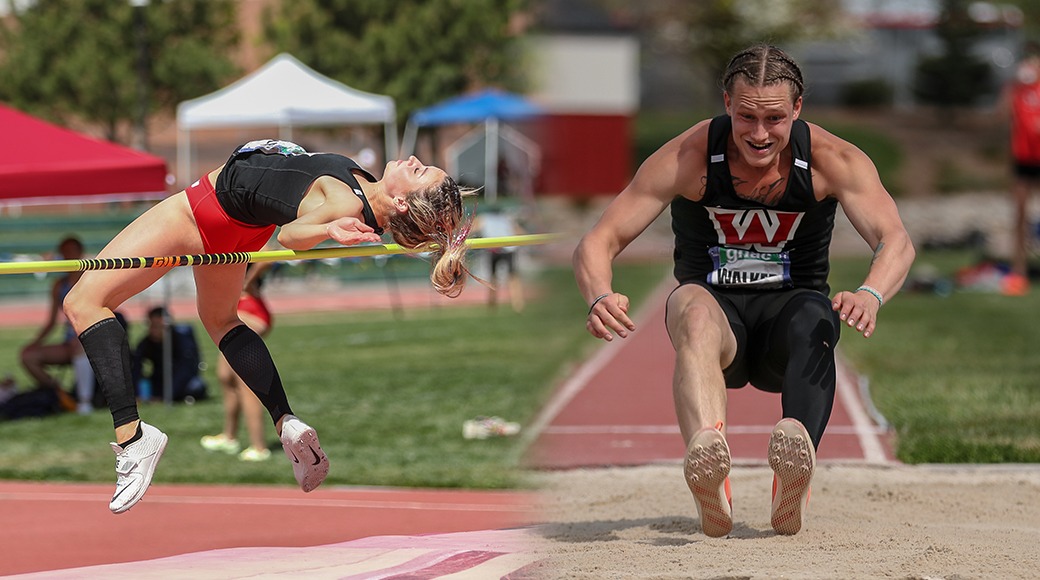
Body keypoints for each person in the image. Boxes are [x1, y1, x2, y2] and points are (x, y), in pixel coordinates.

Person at [573, 44, 915, 537]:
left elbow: (895, 239)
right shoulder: (689, 157)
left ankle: (794, 459)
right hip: (716, 316)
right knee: (688, 307)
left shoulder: (831, 159)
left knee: (820, 316)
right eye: (746, 117)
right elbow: (599, 240)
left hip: (790, 319)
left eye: (774, 119)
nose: (759, 134)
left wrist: (871, 294)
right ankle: (709, 461)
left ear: (797, 110)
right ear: (727, 104)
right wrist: (600, 295)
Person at [63, 139, 475, 514]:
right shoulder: (361, 187)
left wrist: (327, 229)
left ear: (402, 202)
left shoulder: (346, 203)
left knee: (83, 302)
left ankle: (134, 439)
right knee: (222, 320)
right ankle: (285, 420)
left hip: (200, 211)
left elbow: (291, 236)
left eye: (419, 171)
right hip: (238, 227)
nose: (416, 160)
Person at [200, 260, 276, 462]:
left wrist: (246, 281)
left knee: (245, 382)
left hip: (251, 316)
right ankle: (230, 436)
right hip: (237, 320)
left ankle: (259, 446)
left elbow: (269, 257)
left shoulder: (248, 258)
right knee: (225, 376)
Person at [19, 236, 93, 415]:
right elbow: (51, 321)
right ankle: (60, 394)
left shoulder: (91, 279)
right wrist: (35, 342)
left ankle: (85, 402)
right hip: (69, 341)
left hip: (90, 339)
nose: (67, 256)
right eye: (64, 252)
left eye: (71, 251)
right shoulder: (59, 285)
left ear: (80, 253)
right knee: (28, 356)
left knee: (78, 345)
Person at [1005, 41, 1040, 291]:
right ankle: (1019, 269)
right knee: (1020, 216)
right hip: (1023, 158)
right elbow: (1002, 114)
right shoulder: (1017, 91)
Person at [130, 306, 206, 403]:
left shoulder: (180, 340)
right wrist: (136, 393)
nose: (154, 330)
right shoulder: (147, 343)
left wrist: (167, 395)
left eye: (158, 326)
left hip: (182, 379)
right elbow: (136, 366)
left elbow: (185, 369)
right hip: (159, 380)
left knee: (196, 387)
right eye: (151, 325)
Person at [474, 204, 526, 312]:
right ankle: (515, 305)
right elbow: (519, 231)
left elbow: (470, 229)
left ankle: (499, 305)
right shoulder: (505, 218)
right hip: (503, 249)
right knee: (507, 277)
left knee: (502, 278)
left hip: (505, 249)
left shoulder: (484, 218)